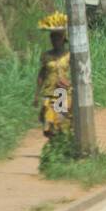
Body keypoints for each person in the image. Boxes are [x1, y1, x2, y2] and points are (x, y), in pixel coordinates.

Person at [34, 14, 71, 142]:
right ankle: (53, 143)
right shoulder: (46, 56)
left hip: (61, 91)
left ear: (63, 39)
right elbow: (42, 74)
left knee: (58, 120)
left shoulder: (68, 55)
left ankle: (60, 143)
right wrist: (36, 95)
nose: (55, 40)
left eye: (57, 37)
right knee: (47, 121)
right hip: (48, 91)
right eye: (52, 37)